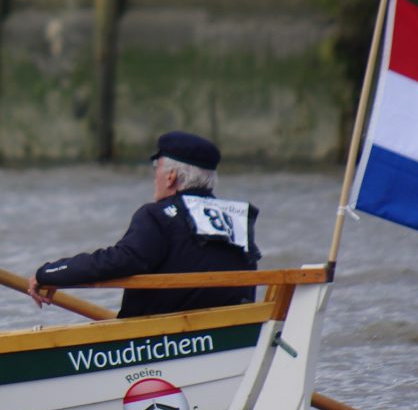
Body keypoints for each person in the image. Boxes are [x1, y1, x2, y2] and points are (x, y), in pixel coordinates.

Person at [27, 130, 260, 316]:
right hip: (235, 326)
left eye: (156, 168)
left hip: (164, 337)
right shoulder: (237, 217)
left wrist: (48, 273)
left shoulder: (156, 216)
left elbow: (119, 261)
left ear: (171, 177)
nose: (155, 176)